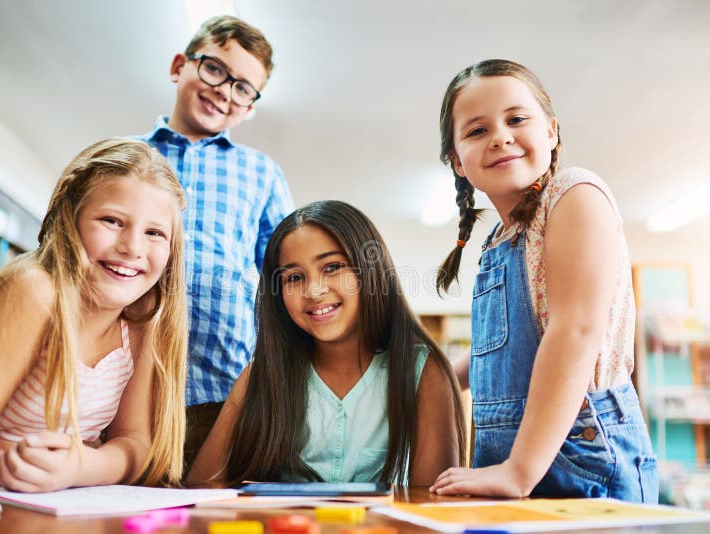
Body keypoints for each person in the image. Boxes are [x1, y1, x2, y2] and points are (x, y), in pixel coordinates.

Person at [429, 59, 657, 502]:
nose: (500, 136)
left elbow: (575, 331)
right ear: (457, 161)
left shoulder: (574, 195)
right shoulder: (496, 241)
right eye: (477, 131)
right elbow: (490, 356)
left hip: (581, 457)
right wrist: (427, 375)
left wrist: (519, 471)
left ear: (551, 132)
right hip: (509, 461)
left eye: (516, 119)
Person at [0, 139, 188, 491]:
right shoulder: (34, 292)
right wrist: (45, 466)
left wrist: (84, 465)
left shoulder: (142, 320)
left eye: (154, 233)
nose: (132, 247)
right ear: (68, 220)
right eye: (112, 221)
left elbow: (136, 444)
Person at [187, 200, 466, 485]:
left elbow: (429, 504)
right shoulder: (260, 376)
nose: (314, 290)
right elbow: (201, 486)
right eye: (294, 277)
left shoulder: (425, 373)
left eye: (332, 267)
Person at [137, 15, 293, 473]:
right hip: (125, 388)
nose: (225, 90)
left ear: (249, 107)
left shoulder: (262, 173)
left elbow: (283, 275)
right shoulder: (127, 157)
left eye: (244, 87)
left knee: (214, 510)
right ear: (179, 66)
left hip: (221, 392)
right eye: (214, 69)